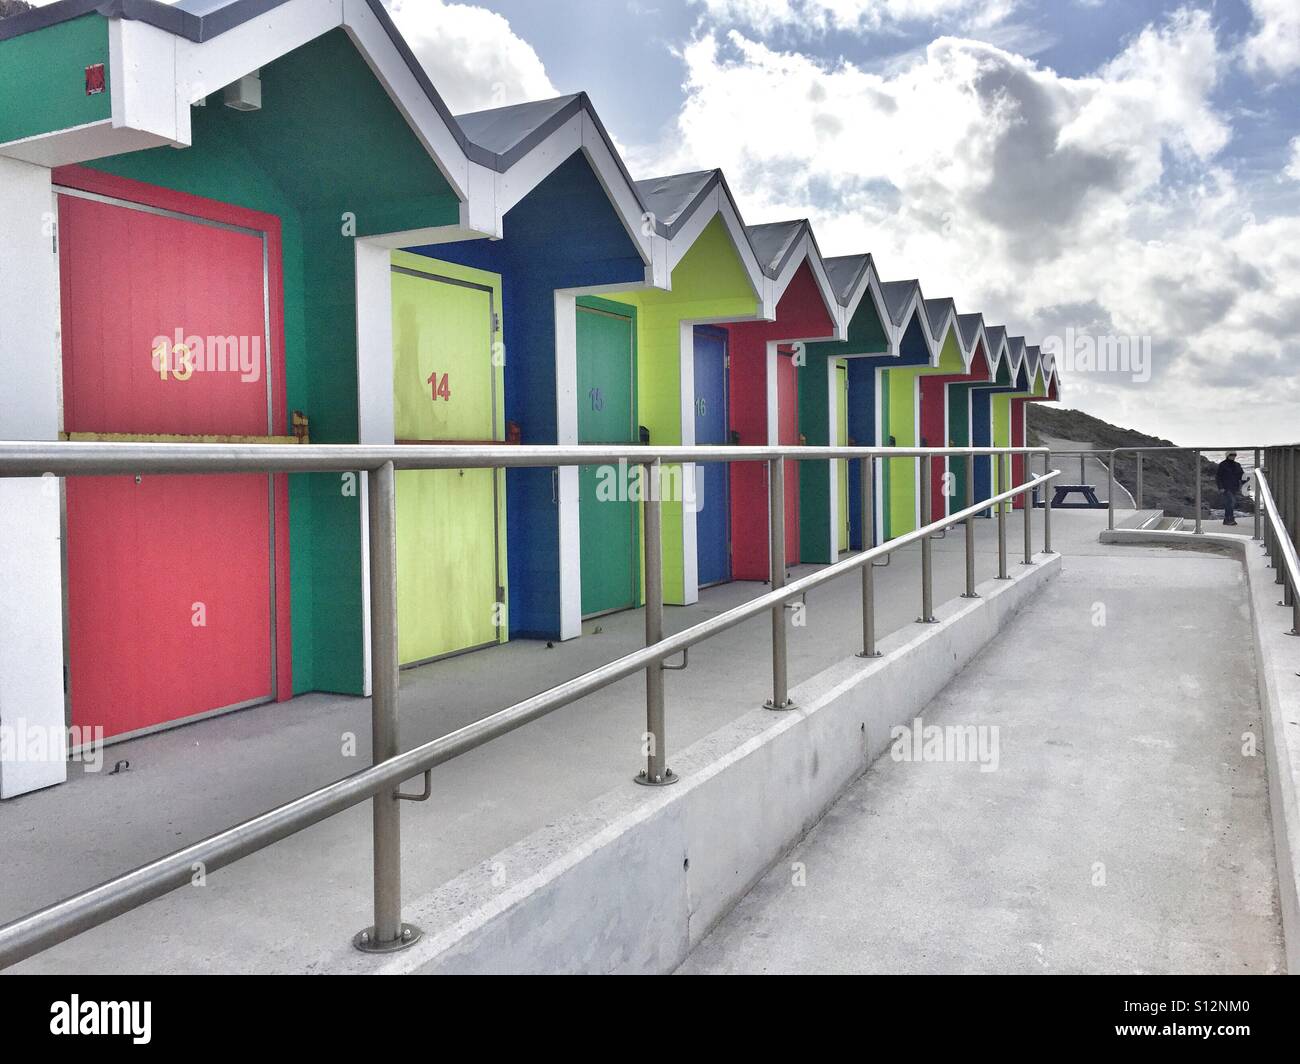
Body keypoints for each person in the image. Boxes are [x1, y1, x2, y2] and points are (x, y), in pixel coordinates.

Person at [1216, 452, 1245, 526]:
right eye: (1231, 455)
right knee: (1231, 502)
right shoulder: (1222, 464)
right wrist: (1221, 487)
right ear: (1227, 455)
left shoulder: (1237, 465)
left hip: (1234, 487)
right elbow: (1218, 477)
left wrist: (1246, 481)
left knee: (1229, 503)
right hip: (1225, 487)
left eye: (1234, 455)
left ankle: (1227, 519)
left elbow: (1242, 475)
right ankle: (1230, 519)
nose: (1233, 456)